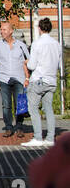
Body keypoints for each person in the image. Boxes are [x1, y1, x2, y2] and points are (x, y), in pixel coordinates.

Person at [24, 17, 63, 149]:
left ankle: (38, 137)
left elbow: (32, 65)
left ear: (39, 28)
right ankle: (50, 138)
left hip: (39, 79)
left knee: (33, 108)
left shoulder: (37, 43)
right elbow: (59, 63)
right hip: (51, 79)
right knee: (49, 109)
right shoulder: (56, 44)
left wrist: (26, 63)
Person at [0, 19, 31, 138]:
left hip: (19, 79)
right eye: (1, 29)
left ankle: (19, 127)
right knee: (6, 104)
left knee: (20, 104)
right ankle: (8, 127)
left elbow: (27, 62)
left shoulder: (21, 46)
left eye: (4, 29)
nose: (1, 32)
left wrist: (27, 78)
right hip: (4, 79)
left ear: (11, 31)